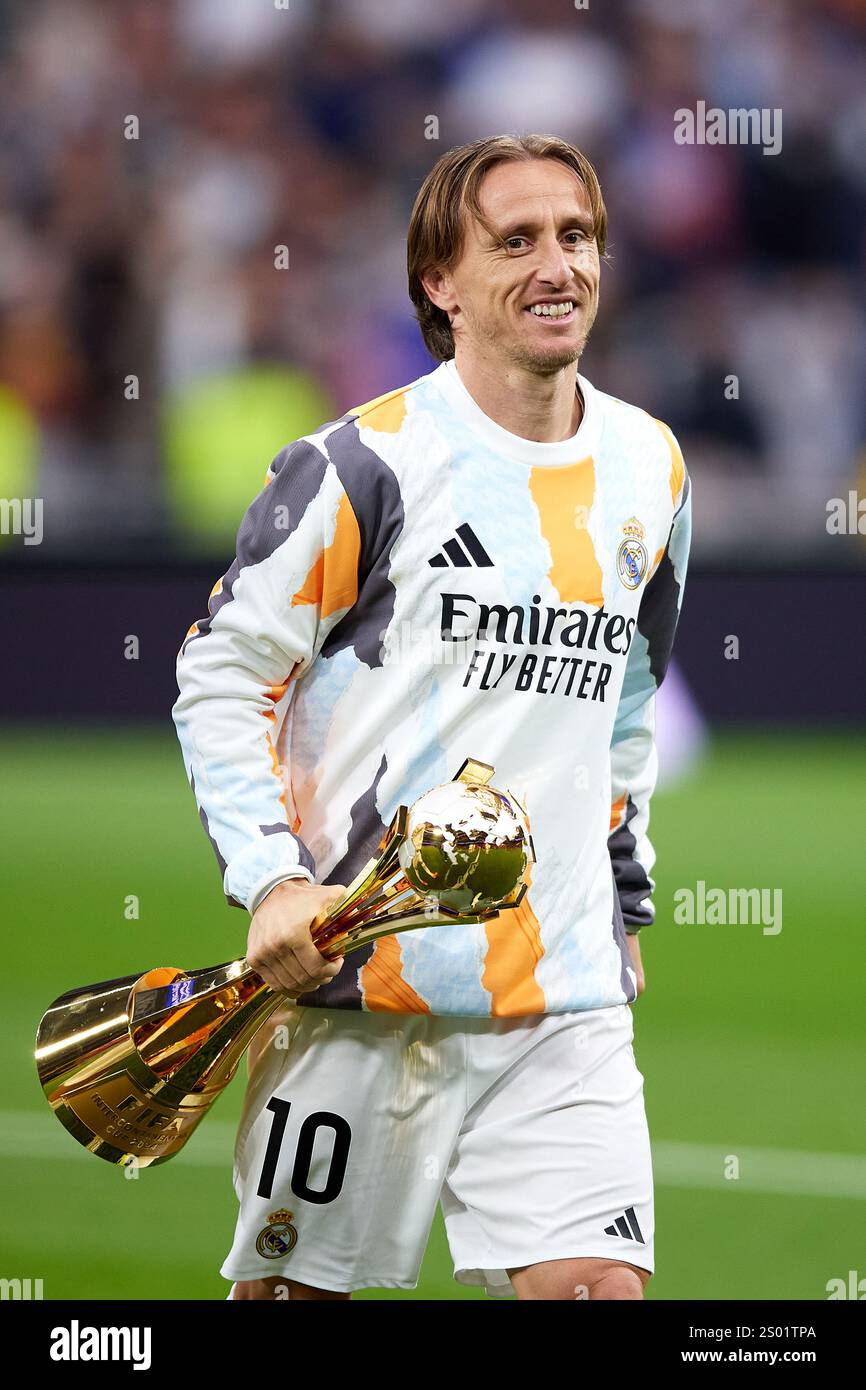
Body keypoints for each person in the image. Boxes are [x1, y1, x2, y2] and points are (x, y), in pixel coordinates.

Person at [172, 133, 692, 1301]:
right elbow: (221, 672)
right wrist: (269, 879)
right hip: (358, 986)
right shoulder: (363, 463)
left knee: (599, 1293)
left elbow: (622, 700)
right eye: (514, 241)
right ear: (438, 283)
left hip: (556, 995)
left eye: (574, 235)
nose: (555, 264)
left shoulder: (649, 466)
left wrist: (620, 893)